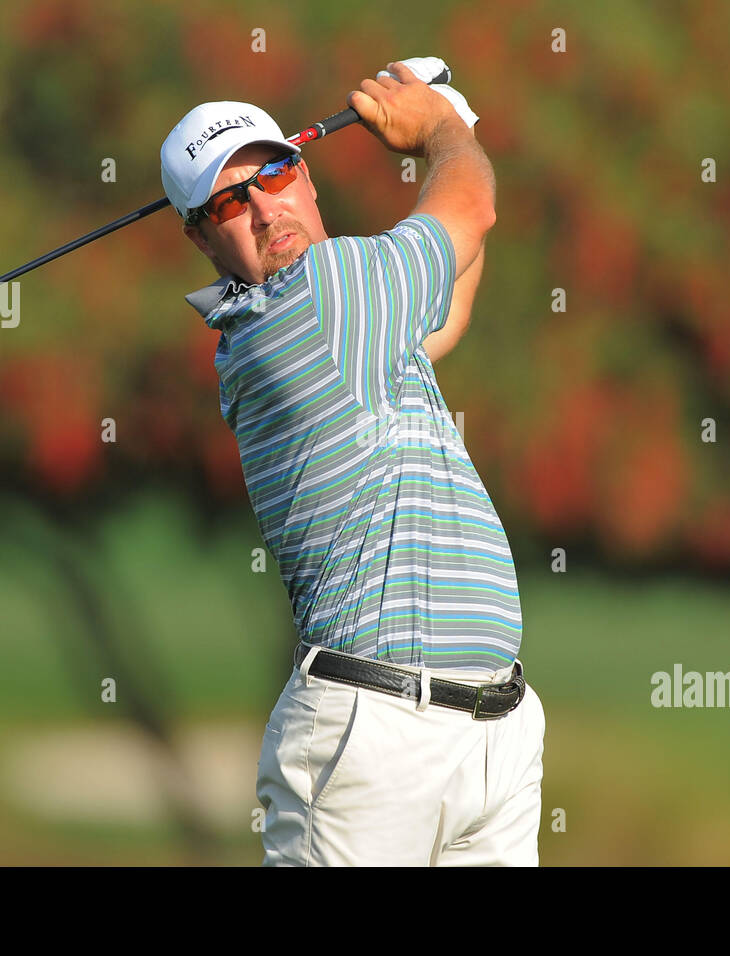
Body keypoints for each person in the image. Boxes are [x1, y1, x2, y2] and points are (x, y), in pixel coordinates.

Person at [159, 61, 544, 866]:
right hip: (373, 737)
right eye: (228, 202)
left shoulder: (359, 326)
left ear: (305, 174)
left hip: (493, 733)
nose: (264, 209)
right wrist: (440, 128)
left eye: (272, 173)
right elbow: (470, 207)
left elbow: (450, 303)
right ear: (200, 237)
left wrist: (457, 125)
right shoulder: (319, 299)